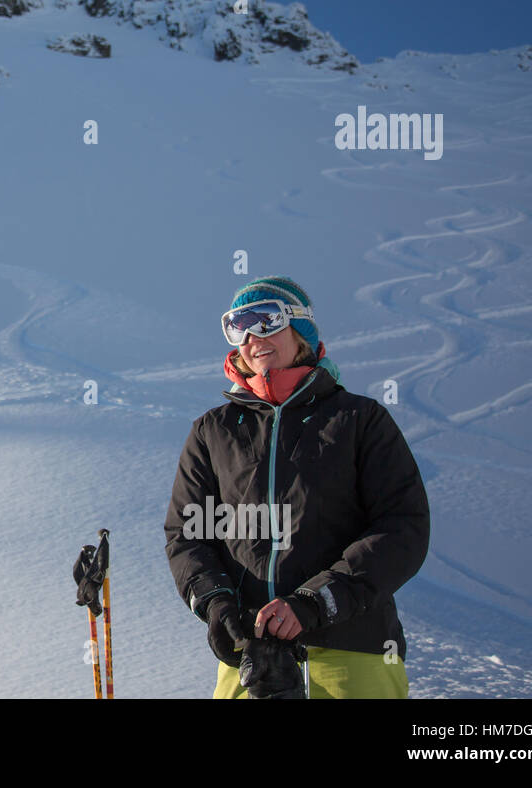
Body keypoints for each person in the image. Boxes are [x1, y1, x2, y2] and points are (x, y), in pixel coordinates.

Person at [164, 275, 430, 698]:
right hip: (250, 654)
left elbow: (402, 528)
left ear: (301, 330)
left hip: (351, 651)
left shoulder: (358, 421)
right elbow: (189, 533)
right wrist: (217, 604)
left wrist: (313, 601)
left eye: (267, 320)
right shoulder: (213, 431)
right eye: (239, 327)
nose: (253, 337)